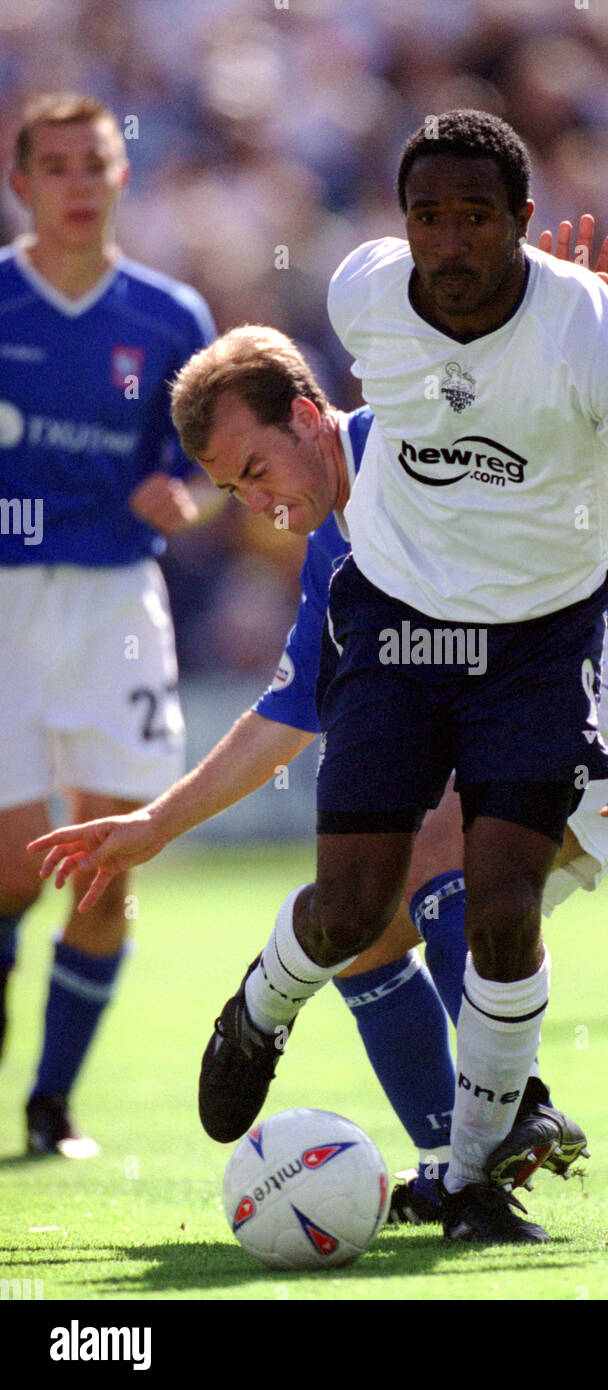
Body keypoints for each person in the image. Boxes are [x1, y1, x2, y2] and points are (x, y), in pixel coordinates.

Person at [30, 306, 608, 1220]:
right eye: (233, 491)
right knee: (371, 919)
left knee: (434, 844)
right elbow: (286, 715)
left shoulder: (424, 420)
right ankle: (464, 1170)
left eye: (257, 470)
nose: (257, 505)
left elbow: (581, 364)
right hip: (519, 704)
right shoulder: (334, 542)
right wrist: (156, 824)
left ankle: (502, 1115)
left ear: (310, 419)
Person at [203, 107, 608, 1247]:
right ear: (400, 227)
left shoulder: (590, 333)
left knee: (499, 908)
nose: (446, 242)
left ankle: (466, 1175)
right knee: (357, 911)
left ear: (522, 226)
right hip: (397, 626)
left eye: (472, 218)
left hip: (542, 645)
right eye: (425, 218)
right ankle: (260, 1007)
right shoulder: (363, 292)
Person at [0, 93, 216, 1156]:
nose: (79, 183)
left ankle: (50, 1102)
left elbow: (213, 460)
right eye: (58, 165)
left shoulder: (170, 317)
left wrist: (189, 492)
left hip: (117, 601)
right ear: (21, 181)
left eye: (96, 162)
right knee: (7, 868)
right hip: (3, 600)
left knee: (105, 859)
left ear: (122, 176)